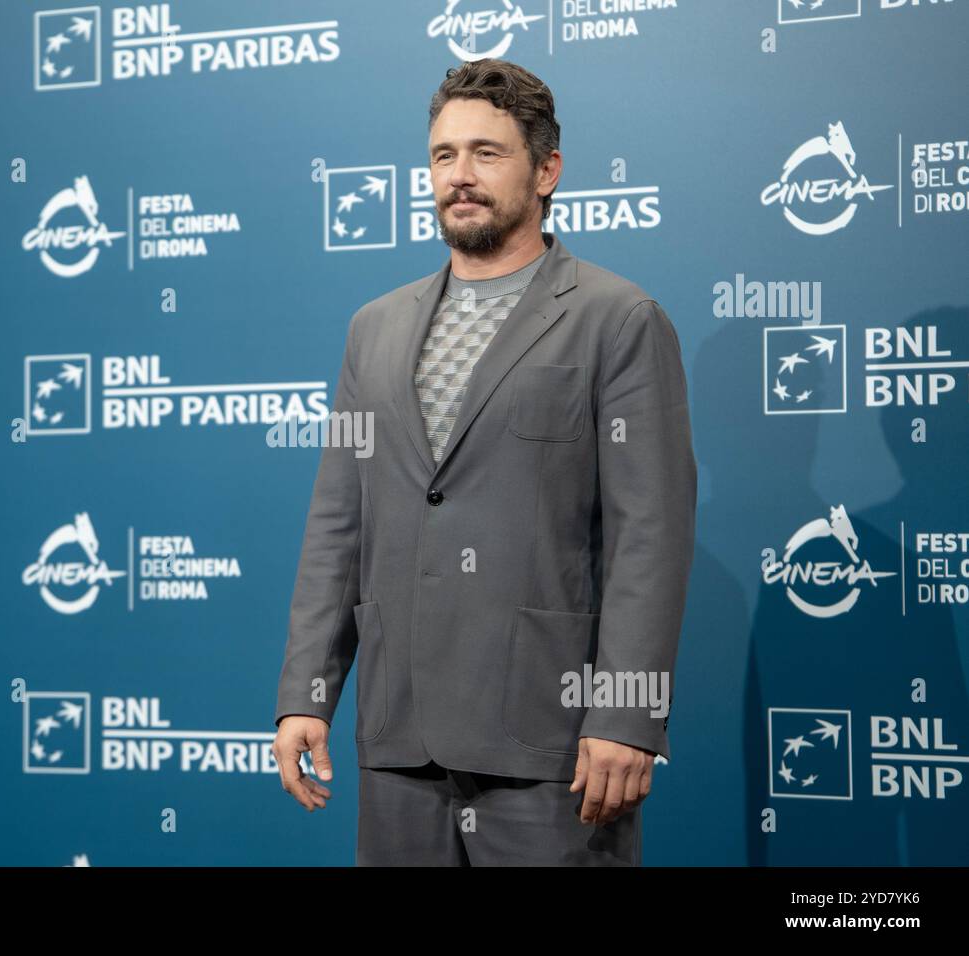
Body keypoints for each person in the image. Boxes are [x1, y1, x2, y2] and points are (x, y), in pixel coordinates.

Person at [272, 58, 696, 866]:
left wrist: (625, 716)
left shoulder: (619, 319)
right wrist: (308, 691)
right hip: (400, 737)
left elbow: (653, 536)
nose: (459, 176)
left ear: (546, 171)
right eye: (442, 155)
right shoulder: (375, 328)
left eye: (486, 154)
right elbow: (339, 522)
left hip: (552, 742)